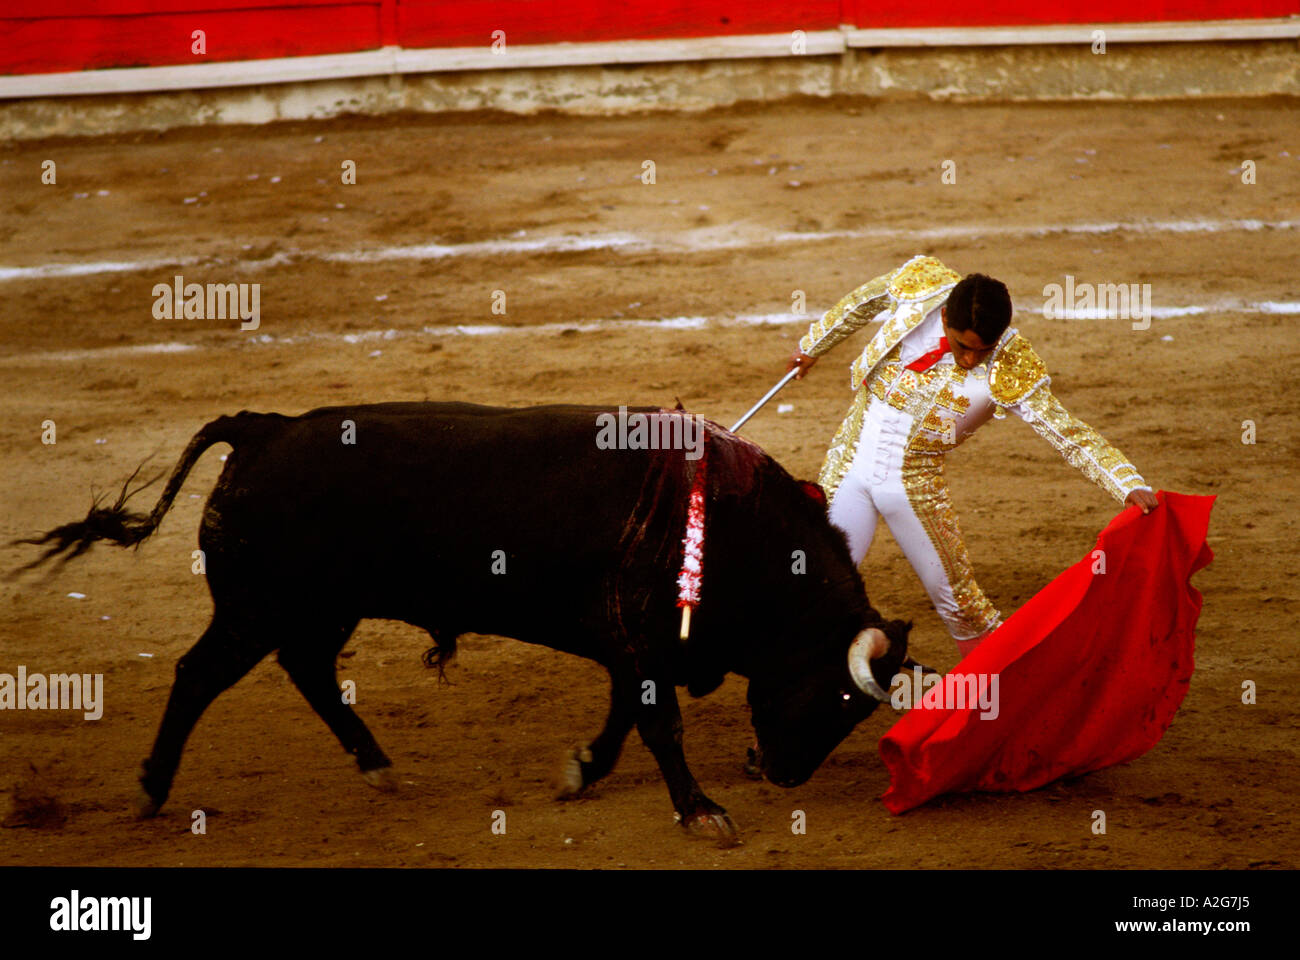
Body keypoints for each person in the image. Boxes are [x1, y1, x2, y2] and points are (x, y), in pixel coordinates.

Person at [788, 254, 1158, 659]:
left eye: (982, 351)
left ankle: (1006, 697)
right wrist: (813, 346)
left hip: (912, 487)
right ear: (945, 316)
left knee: (962, 608)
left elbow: (1066, 433)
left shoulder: (1011, 365)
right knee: (812, 582)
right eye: (962, 345)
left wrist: (1126, 481)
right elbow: (863, 302)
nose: (969, 360)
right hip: (849, 466)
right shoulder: (922, 286)